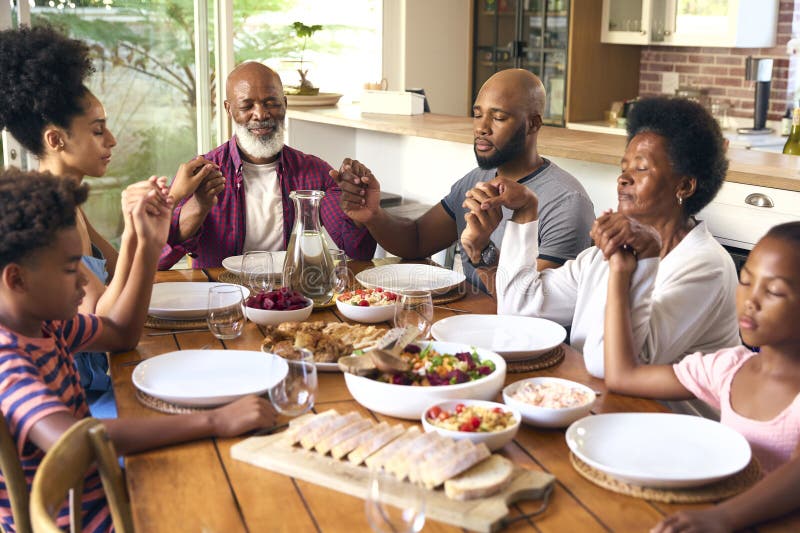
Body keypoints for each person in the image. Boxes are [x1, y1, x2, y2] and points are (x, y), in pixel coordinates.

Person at [0, 169, 277, 532]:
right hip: (91, 521)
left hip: (107, 491)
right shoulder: (9, 361)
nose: (86, 279)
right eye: (71, 269)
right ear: (17, 279)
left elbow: (121, 334)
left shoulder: (45, 323)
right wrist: (215, 420)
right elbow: (75, 438)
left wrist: (149, 245)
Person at [0, 25, 211, 418]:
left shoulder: (70, 204)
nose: (112, 140)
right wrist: (139, 233)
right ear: (55, 140)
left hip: (112, 364)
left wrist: (157, 213)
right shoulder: (45, 220)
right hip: (88, 393)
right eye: (98, 130)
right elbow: (102, 315)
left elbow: (118, 273)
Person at [473, 97, 739, 403]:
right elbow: (519, 307)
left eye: (641, 169)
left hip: (670, 430)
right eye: (623, 167)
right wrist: (525, 213)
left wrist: (629, 267)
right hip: (600, 406)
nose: (623, 178)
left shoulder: (705, 266)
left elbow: (613, 365)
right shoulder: (607, 251)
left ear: (685, 187)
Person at [603, 222, 800, 533]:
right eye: (746, 281)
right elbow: (623, 375)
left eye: (774, 291)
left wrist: (723, 517)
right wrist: (620, 275)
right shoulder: (729, 368)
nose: (751, 300)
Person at [332, 68, 594, 292]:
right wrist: (374, 215)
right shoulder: (477, 180)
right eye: (478, 114)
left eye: (499, 117)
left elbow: (534, 304)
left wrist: (483, 250)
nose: (482, 127)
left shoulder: (567, 202)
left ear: (533, 124)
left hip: (522, 340)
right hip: (469, 319)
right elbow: (417, 240)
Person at [157, 61, 377, 269]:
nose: (261, 114)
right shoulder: (202, 173)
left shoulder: (314, 172)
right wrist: (199, 205)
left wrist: (357, 203)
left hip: (289, 298)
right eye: (247, 105)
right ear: (228, 109)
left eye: (271, 103)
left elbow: (358, 252)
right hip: (219, 297)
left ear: (285, 104)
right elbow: (159, 261)